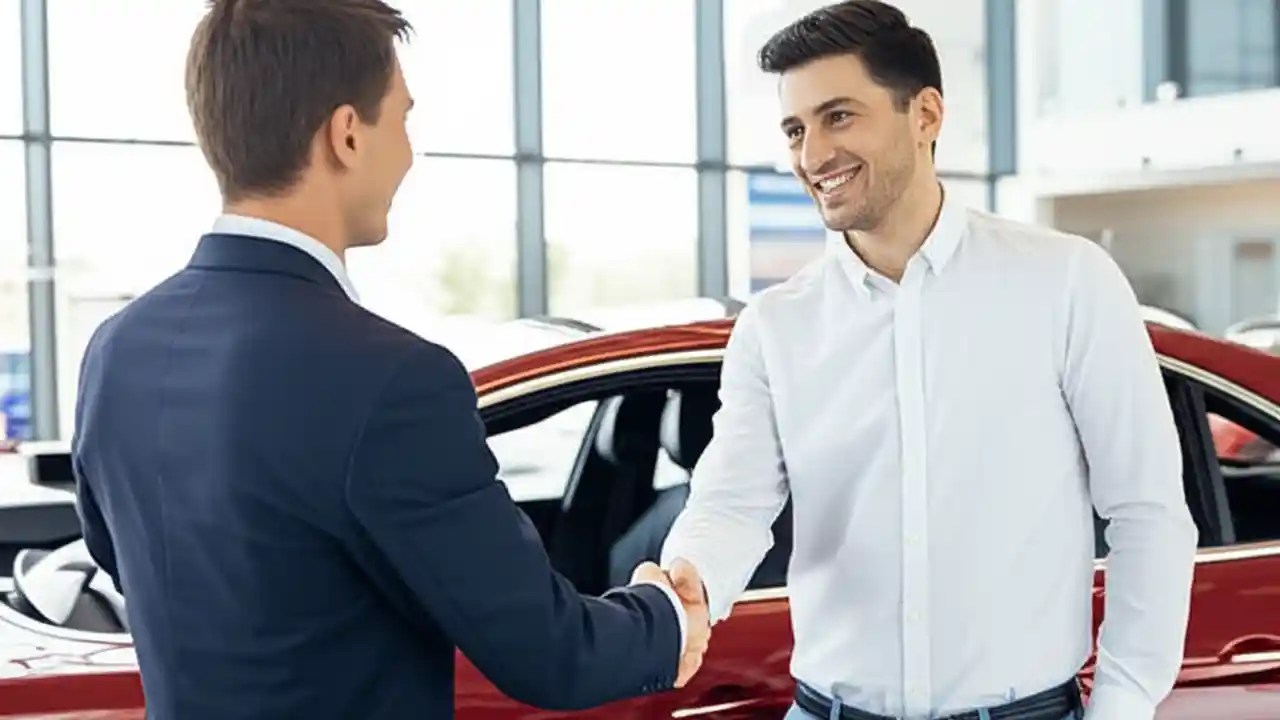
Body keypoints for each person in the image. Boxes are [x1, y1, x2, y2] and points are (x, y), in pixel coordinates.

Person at [70, 1, 708, 718]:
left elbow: (121, 556)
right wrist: (666, 617)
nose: (407, 151)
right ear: (347, 134)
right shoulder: (391, 379)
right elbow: (549, 653)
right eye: (402, 119)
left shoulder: (117, 347)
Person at [656, 2, 1198, 719]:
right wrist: (691, 576)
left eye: (839, 116)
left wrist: (1123, 705)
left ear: (926, 114)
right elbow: (731, 505)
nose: (813, 155)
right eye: (796, 128)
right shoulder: (775, 327)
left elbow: (1148, 511)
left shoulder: (1066, 281)